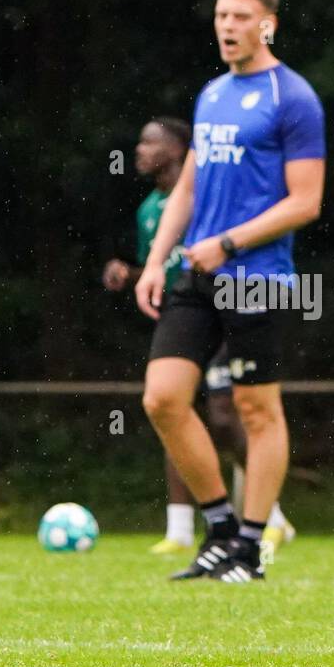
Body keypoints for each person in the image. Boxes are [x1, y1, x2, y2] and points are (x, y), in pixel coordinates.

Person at [136, 0, 324, 582]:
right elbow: (187, 186)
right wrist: (157, 257)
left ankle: (250, 543)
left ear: (267, 23)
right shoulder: (212, 95)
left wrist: (231, 241)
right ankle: (218, 527)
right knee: (162, 398)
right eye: (222, 16)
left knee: (254, 408)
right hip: (197, 270)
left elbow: (306, 200)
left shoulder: (292, 98)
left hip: (257, 274)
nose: (228, 27)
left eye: (241, 17)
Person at [104, 118, 293, 553]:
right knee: (173, 409)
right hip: (184, 314)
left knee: (228, 415)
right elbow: (172, 268)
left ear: (180, 150)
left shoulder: (208, 200)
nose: (140, 149)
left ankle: (270, 517)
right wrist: (133, 273)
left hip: (230, 303)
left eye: (150, 141)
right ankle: (183, 529)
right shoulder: (150, 209)